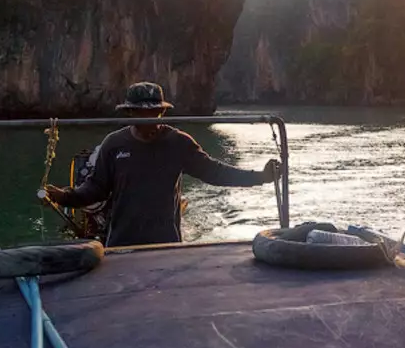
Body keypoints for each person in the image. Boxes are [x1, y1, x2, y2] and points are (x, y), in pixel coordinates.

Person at [43, 82, 280, 247]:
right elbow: (95, 188)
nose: (149, 119)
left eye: (154, 112)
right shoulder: (114, 144)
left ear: (162, 112)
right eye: (140, 113)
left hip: (166, 243)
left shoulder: (178, 143)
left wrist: (260, 176)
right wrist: (64, 196)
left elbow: (215, 172)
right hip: (121, 244)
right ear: (130, 113)